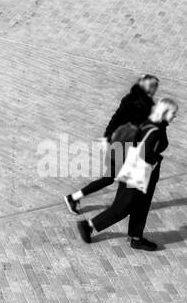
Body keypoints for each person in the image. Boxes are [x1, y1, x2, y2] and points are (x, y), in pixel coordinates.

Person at [77, 98, 178, 251]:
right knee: (121, 208)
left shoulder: (154, 124)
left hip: (145, 173)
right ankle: (88, 226)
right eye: (173, 113)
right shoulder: (154, 129)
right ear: (164, 112)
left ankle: (136, 238)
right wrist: (153, 163)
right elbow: (142, 152)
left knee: (142, 206)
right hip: (138, 172)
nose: (174, 116)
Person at [64, 74, 159, 213]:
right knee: (115, 177)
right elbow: (118, 119)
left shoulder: (134, 99)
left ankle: (78, 198)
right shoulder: (139, 103)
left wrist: (107, 137)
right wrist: (107, 137)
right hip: (123, 145)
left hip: (122, 143)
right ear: (148, 87)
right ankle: (77, 198)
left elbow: (116, 118)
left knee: (116, 177)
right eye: (154, 86)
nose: (156, 89)